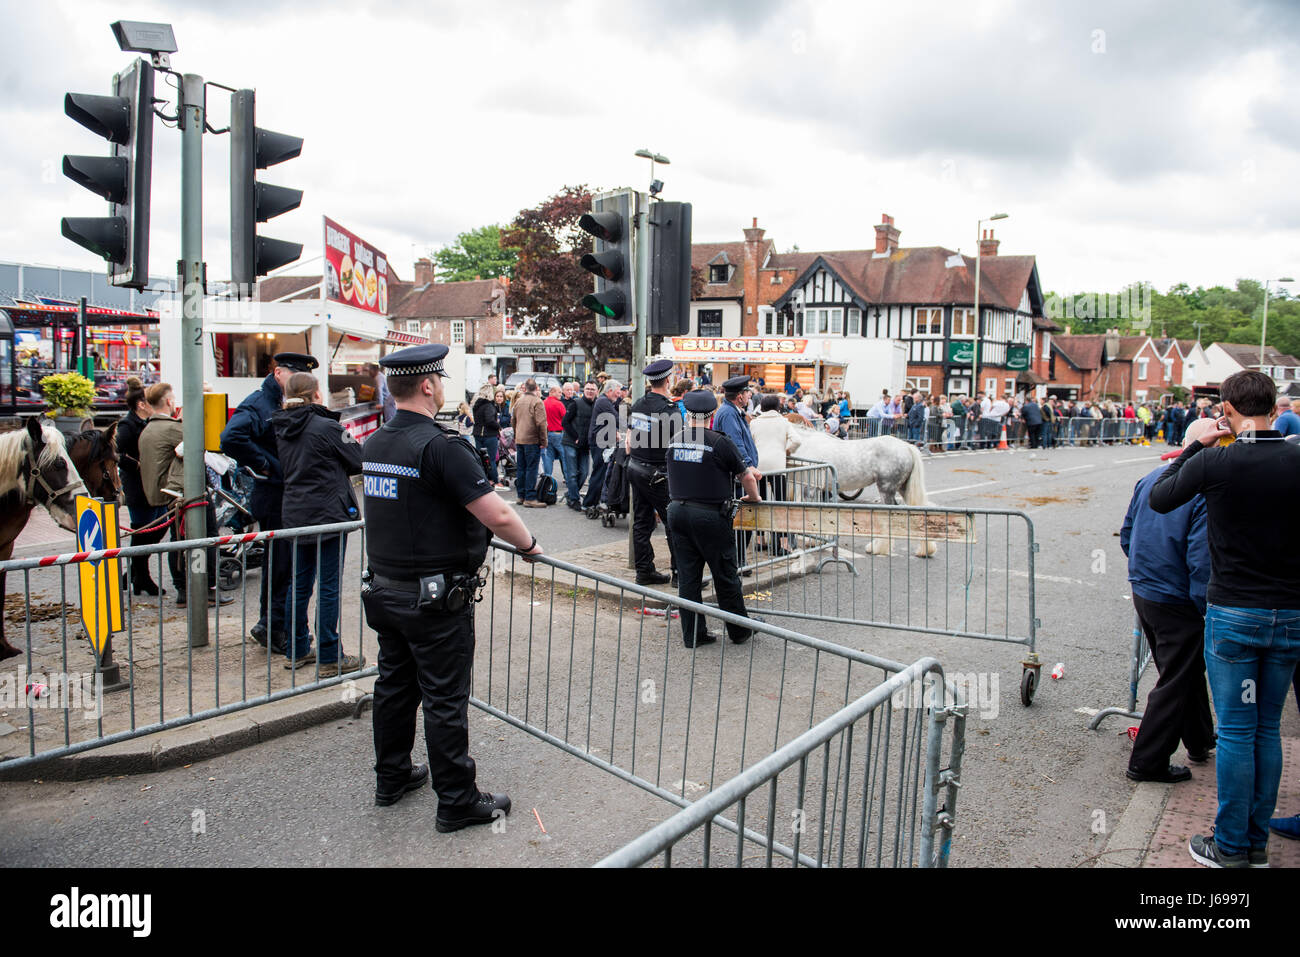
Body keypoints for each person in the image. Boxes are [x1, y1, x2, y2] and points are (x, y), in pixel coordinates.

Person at [362, 343, 542, 828]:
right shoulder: (442, 446)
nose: (441, 386)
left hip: (385, 591)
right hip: (433, 600)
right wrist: (529, 546)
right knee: (443, 698)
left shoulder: (376, 442)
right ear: (427, 386)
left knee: (395, 686)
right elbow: (498, 513)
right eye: (439, 379)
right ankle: (457, 800)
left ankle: (392, 777)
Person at [1150, 370, 1300, 868]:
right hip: (1290, 613)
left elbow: (1161, 494)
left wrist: (1199, 446)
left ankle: (1233, 846)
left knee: (1237, 731)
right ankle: (1254, 841)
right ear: (1276, 407)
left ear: (1228, 411)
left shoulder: (1217, 461)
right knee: (1266, 728)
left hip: (1236, 613)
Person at [1120, 417, 1216, 786]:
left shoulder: (1151, 480)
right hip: (1177, 597)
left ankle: (1199, 739)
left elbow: (1128, 534)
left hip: (1147, 591)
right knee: (1176, 679)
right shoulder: (1203, 492)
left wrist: (1142, 572)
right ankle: (1147, 761)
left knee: (1182, 672)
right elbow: (1200, 559)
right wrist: (1204, 608)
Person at [221, 351, 316, 653]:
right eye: (294, 375)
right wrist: (265, 464)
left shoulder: (277, 401)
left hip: (282, 493)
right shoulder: (259, 403)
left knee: (282, 564)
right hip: (273, 494)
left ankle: (273, 624)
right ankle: (274, 628)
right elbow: (231, 438)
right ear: (278, 373)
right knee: (282, 565)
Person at [272, 372, 365, 676]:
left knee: (299, 584)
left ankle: (296, 649)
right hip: (328, 513)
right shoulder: (327, 427)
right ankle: (328, 655)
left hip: (296, 513)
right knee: (327, 586)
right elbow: (358, 459)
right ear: (315, 394)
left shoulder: (281, 426)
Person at [666, 389, 762, 647]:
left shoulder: (675, 440)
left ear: (688, 415)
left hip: (677, 512)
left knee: (688, 577)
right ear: (712, 415)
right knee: (725, 574)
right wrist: (754, 498)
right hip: (709, 515)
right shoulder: (719, 441)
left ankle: (693, 634)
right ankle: (739, 630)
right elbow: (748, 477)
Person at [139, 382, 231, 607]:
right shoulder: (172, 428)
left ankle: (182, 589)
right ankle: (208, 589)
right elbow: (204, 441)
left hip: (168, 495)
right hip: (187, 494)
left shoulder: (149, 429)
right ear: (169, 402)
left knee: (178, 540)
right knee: (207, 537)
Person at [625, 359, 681, 586]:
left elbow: (632, 434)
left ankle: (644, 571)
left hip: (636, 467)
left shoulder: (639, 403)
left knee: (641, 522)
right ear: (668, 380)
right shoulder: (669, 409)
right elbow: (678, 444)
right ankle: (681, 574)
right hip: (657, 473)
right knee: (674, 523)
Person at [115, 377, 165, 596]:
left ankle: (134, 572)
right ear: (140, 405)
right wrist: (138, 466)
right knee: (143, 529)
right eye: (147, 401)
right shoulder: (127, 425)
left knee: (159, 525)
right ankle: (141, 576)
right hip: (137, 485)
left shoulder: (148, 423)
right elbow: (117, 453)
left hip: (152, 484)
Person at [750, 393, 797, 554]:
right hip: (778, 466)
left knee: (760, 502)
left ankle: (760, 539)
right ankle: (783, 543)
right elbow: (797, 440)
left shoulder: (755, 423)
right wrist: (786, 450)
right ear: (777, 407)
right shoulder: (784, 422)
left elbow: (750, 441)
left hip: (759, 467)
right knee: (780, 504)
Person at [583, 379, 622, 512]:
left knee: (602, 472)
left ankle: (594, 501)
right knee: (599, 473)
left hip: (602, 441)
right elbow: (617, 419)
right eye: (617, 392)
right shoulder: (604, 402)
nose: (619, 395)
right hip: (599, 442)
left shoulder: (606, 402)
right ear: (609, 391)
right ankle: (589, 503)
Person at [511, 378, 548, 507]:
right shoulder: (537, 402)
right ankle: (530, 497)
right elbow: (541, 423)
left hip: (520, 438)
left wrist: (516, 435)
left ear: (525, 388)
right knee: (532, 469)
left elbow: (513, 420)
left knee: (521, 468)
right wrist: (543, 440)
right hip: (532, 439)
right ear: (536, 388)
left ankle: (520, 496)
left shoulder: (519, 401)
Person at [562, 381, 596, 511]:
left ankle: (571, 493)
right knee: (571, 474)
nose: (590, 391)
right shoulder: (576, 403)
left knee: (584, 473)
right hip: (571, 442)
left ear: (596, 391)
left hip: (585, 445)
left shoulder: (597, 404)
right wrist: (575, 437)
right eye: (587, 388)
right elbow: (565, 422)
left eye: (592, 389)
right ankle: (574, 500)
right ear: (583, 390)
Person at [471, 385, 506, 490]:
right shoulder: (489, 406)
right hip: (489, 435)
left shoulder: (476, 405)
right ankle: (495, 481)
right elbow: (490, 420)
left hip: (478, 433)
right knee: (491, 460)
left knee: (481, 459)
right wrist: (498, 427)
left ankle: (483, 479)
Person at [539, 385, 566, 481]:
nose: (561, 394)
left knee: (548, 457)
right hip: (558, 434)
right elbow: (565, 419)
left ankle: (547, 478)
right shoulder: (559, 404)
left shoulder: (543, 403)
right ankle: (568, 478)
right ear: (552, 392)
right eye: (559, 392)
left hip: (547, 434)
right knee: (564, 456)